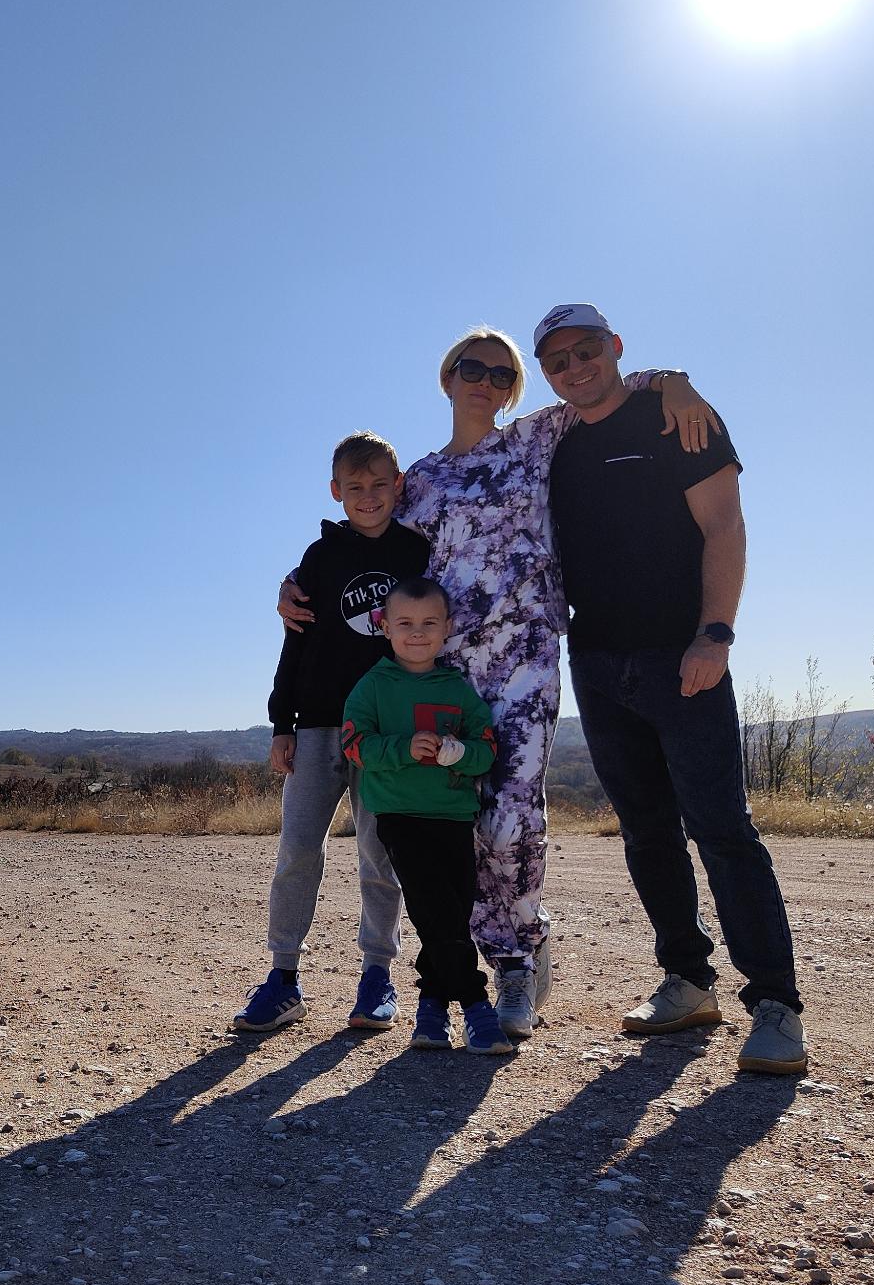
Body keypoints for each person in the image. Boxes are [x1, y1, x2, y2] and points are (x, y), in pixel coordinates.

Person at [280, 331, 719, 1040]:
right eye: (470, 368)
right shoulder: (417, 480)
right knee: (457, 823)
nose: (484, 380)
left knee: (513, 815)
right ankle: (481, 959)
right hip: (447, 672)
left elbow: (613, 384)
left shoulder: (536, 440)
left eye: (500, 371)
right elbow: (365, 548)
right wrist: (294, 587)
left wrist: (679, 380)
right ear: (447, 379)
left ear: (514, 386)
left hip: (525, 661)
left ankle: (517, 956)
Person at [536, 301, 807, 1076]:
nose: (577, 366)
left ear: (616, 347)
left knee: (720, 830)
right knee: (647, 832)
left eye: (589, 349)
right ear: (548, 377)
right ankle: (688, 980)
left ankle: (777, 1007)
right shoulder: (554, 442)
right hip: (596, 660)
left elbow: (726, 526)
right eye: (559, 360)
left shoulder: (673, 415)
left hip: (681, 656)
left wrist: (715, 634)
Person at [235, 432, 431, 1034]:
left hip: (388, 731)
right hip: (320, 724)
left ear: (398, 486)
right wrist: (281, 723)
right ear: (336, 492)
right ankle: (284, 977)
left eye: (378, 485)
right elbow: (297, 639)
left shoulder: (418, 552)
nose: (367, 496)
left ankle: (377, 975)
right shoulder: (320, 559)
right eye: (355, 487)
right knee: (298, 849)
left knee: (380, 855)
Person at [340, 577, 508, 1054]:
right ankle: (477, 1006)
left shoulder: (458, 689)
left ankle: (432, 1009)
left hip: (455, 815)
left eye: (429, 623)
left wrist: (460, 753)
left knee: (451, 913)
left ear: (447, 628)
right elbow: (354, 745)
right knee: (434, 907)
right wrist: (403, 748)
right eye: (406, 623)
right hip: (399, 814)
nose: (417, 633)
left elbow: (487, 749)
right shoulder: (372, 687)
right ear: (385, 627)